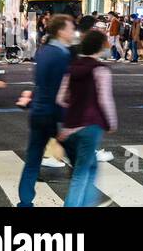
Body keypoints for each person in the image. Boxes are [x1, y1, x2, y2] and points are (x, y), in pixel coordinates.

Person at [16, 14, 75, 206]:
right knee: (79, 159)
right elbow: (61, 90)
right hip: (53, 114)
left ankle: (25, 202)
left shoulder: (43, 51)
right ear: (60, 31)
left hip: (38, 113)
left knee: (33, 160)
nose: (72, 32)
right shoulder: (62, 55)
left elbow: (41, 84)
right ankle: (83, 198)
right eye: (69, 28)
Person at [55, 30, 117, 207]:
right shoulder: (101, 70)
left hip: (70, 126)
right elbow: (105, 99)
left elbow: (60, 98)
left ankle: (88, 202)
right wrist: (111, 123)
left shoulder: (72, 68)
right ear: (100, 47)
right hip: (91, 126)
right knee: (81, 173)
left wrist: (75, 105)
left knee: (88, 167)